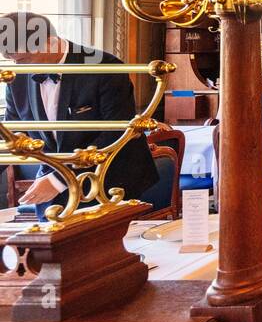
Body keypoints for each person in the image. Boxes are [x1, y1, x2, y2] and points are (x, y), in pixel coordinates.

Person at [0, 11, 157, 205]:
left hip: (109, 184)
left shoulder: (104, 68)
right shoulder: (17, 75)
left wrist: (59, 180)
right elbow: (13, 132)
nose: (17, 66)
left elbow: (117, 132)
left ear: (51, 43)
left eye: (23, 59)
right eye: (12, 59)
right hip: (51, 187)